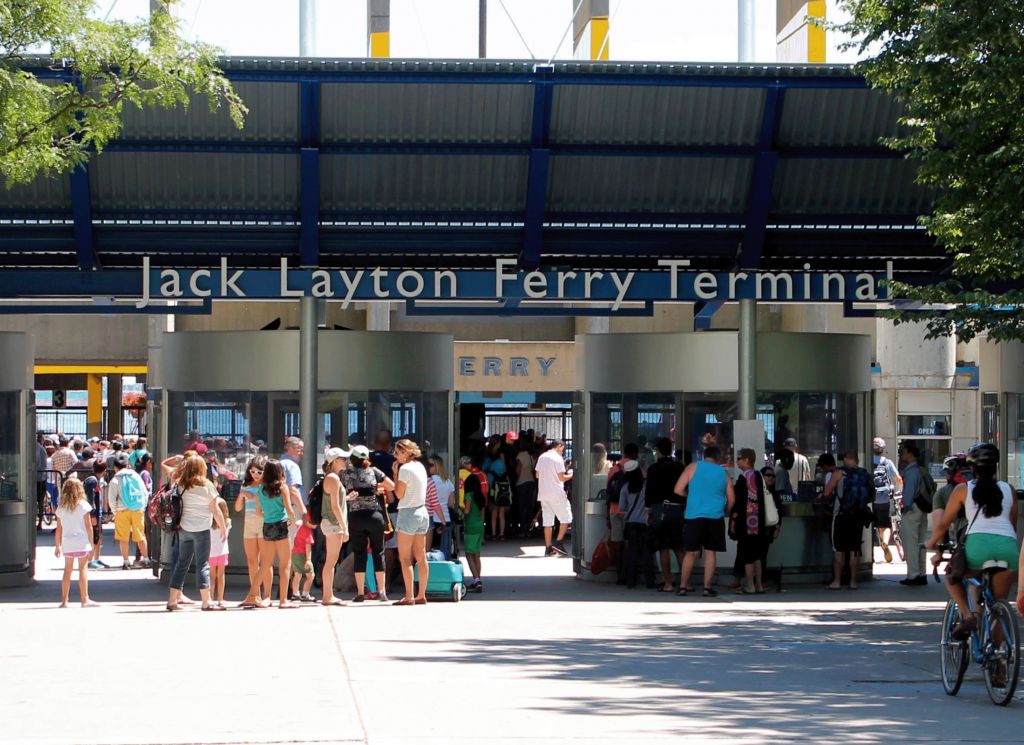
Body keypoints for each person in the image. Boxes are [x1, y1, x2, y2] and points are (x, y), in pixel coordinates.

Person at [926, 443, 1018, 642]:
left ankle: (968, 615)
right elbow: (1012, 525)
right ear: (995, 467)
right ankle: (1000, 666)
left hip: (978, 547)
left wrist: (931, 543)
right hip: (1008, 549)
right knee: (999, 607)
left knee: (952, 576)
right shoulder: (1009, 489)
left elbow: (943, 524)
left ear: (972, 468)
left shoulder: (963, 489)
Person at [166, 453, 227, 611]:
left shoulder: (180, 484)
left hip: (184, 528)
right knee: (203, 565)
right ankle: (206, 601)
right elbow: (216, 510)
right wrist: (223, 528)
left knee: (181, 564)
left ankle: (172, 600)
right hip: (201, 529)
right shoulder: (207, 486)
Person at [673, 446, 735, 597]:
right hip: (715, 516)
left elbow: (677, 490)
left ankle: (683, 586)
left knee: (690, 553)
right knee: (710, 553)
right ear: (718, 457)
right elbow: (732, 499)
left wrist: (690, 494)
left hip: (694, 515)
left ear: (704, 456)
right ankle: (707, 588)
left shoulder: (692, 467)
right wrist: (724, 510)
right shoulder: (724, 472)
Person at [242, 459, 300, 609]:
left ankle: (251, 595)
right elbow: (289, 508)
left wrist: (269, 516)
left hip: (267, 526)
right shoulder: (282, 487)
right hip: (281, 525)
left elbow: (258, 512)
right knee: (285, 564)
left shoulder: (261, 489)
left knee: (265, 564)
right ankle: (283, 600)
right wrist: (292, 520)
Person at [343, 445, 394, 602]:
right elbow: (391, 486)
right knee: (378, 552)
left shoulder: (346, 473)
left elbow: (340, 490)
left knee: (359, 553)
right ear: (367, 458)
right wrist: (375, 487)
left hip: (356, 517)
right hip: (374, 516)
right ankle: (382, 591)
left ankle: (359, 592)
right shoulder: (374, 471)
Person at [822, 450, 873, 591]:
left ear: (845, 459)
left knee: (838, 549)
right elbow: (872, 497)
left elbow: (827, 493)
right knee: (854, 549)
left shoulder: (839, 473)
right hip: (858, 516)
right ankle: (853, 582)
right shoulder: (865, 474)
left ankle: (836, 582)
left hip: (841, 515)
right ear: (857, 460)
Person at [730, 449, 776, 595]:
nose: (737, 461)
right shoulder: (758, 475)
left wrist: (733, 520)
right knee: (757, 554)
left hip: (747, 520)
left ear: (746, 460)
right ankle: (759, 584)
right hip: (759, 520)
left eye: (739, 458)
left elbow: (738, 502)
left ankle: (750, 585)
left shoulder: (743, 477)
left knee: (747, 553)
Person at [392, 438, 431, 606]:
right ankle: (421, 594)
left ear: (406, 453)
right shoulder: (420, 466)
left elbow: (399, 494)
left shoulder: (405, 469)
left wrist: (395, 475)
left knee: (405, 557)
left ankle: (409, 595)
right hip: (422, 511)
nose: (395, 456)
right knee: (421, 556)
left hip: (408, 512)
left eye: (398, 453)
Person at [645, 437, 685, 593]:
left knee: (663, 547)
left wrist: (647, 511)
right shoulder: (679, 467)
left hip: (659, 509)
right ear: (671, 449)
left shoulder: (653, 469)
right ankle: (685, 583)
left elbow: (649, 492)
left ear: (658, 450)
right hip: (677, 509)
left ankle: (667, 583)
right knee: (679, 547)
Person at [54, 478, 100, 608]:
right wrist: (91, 544)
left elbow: (59, 529)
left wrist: (57, 546)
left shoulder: (61, 508)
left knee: (67, 570)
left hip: (67, 542)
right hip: (82, 541)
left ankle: (64, 600)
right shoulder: (83, 505)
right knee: (83, 569)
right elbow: (89, 526)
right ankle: (84, 599)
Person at [233, 455, 271, 605]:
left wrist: (256, 497)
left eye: (259, 472)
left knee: (265, 561)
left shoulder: (267, 487)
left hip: (263, 522)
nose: (255, 475)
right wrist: (242, 494)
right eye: (253, 471)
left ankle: (267, 595)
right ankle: (254, 594)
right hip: (248, 523)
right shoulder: (245, 486)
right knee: (251, 560)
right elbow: (237, 508)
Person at [318, 447, 352, 606]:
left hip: (331, 522)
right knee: (331, 561)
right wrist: (344, 526)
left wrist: (346, 498)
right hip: (333, 523)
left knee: (331, 560)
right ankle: (327, 595)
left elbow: (336, 502)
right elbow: (335, 506)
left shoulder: (332, 478)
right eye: (343, 458)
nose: (346, 461)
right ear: (335, 461)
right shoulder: (333, 478)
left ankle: (328, 594)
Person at [107, 452, 151, 570]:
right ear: (127, 465)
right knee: (140, 535)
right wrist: (143, 506)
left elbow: (111, 499)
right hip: (137, 508)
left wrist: (115, 512)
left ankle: (126, 562)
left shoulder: (115, 480)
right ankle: (146, 559)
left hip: (122, 510)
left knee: (123, 537)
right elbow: (145, 493)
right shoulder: (136, 476)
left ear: (115, 467)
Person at [618, 460, 654, 589]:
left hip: (631, 523)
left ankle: (630, 581)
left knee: (631, 552)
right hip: (646, 522)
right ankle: (650, 582)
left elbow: (622, 507)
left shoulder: (625, 487)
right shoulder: (647, 486)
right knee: (647, 552)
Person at [535, 440, 574, 557]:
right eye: (563, 448)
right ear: (559, 446)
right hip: (557, 494)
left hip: (543, 494)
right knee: (566, 518)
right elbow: (562, 478)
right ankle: (558, 542)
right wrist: (571, 473)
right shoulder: (557, 459)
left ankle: (548, 548)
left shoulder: (542, 457)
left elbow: (537, 475)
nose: (563, 450)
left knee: (548, 522)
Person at [898, 444, 929, 586]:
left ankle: (913, 575)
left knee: (910, 543)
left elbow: (909, 492)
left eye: (903, 453)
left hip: (913, 509)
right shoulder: (921, 470)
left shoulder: (910, 472)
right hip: (922, 508)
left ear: (910, 454)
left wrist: (905, 508)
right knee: (921, 542)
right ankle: (922, 573)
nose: (901, 455)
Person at [871, 437, 903, 563]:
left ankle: (870, 555)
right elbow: (898, 478)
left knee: (870, 526)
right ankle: (885, 542)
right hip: (883, 499)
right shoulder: (887, 462)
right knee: (885, 524)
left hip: (870, 498)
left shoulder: (868, 460)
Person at [462, 455, 488, 593]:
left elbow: (466, 511)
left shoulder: (469, 495)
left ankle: (476, 579)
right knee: (477, 554)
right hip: (479, 526)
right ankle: (478, 578)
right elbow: (483, 515)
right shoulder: (481, 497)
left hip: (471, 526)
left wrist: (459, 508)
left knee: (468, 554)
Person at [933, 453, 969, 544]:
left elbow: (940, 525)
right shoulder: (997, 488)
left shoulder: (942, 492)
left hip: (965, 541)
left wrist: (937, 550)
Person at [83, 460, 109, 569]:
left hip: (97, 511)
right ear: (104, 470)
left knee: (98, 535)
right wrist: (92, 515)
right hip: (93, 512)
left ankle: (96, 558)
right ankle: (90, 559)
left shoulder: (95, 480)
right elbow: (91, 499)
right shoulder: (92, 481)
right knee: (93, 535)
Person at [427, 455, 454, 556]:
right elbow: (450, 503)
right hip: (445, 519)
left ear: (437, 466)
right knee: (443, 551)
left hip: (432, 518)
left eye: (430, 465)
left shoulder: (429, 481)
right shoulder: (449, 482)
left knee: (429, 552)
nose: (428, 467)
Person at [208, 494, 231, 608]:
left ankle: (210, 597)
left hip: (211, 553)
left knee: (211, 576)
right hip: (223, 552)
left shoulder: (209, 524)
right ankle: (220, 598)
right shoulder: (228, 523)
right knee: (221, 576)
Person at [290, 517, 316, 603]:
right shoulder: (308, 532)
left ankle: (295, 594)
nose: (316, 524)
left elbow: (296, 521)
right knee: (310, 576)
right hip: (303, 555)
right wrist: (308, 559)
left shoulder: (300, 526)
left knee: (297, 575)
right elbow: (308, 546)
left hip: (295, 553)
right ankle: (305, 594)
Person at [514, 441, 537, 537]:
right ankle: (530, 529)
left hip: (521, 482)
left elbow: (518, 470)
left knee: (522, 507)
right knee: (530, 507)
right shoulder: (533, 456)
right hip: (531, 481)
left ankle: (522, 530)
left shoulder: (521, 455)